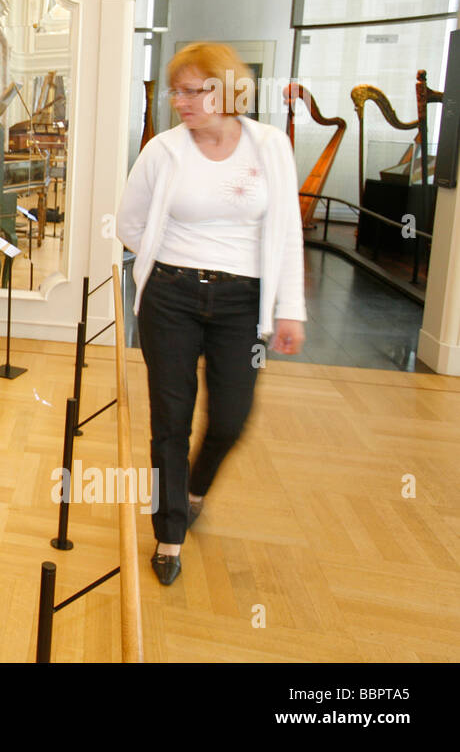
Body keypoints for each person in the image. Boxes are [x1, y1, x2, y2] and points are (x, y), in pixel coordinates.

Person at [116, 42, 306, 587]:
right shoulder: (163, 151)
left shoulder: (269, 147)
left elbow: (288, 232)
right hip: (170, 296)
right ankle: (169, 530)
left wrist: (290, 309)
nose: (181, 101)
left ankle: (195, 487)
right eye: (177, 90)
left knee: (230, 418)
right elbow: (130, 223)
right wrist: (174, 252)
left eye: (193, 91)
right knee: (169, 420)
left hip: (242, 303)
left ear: (228, 91)